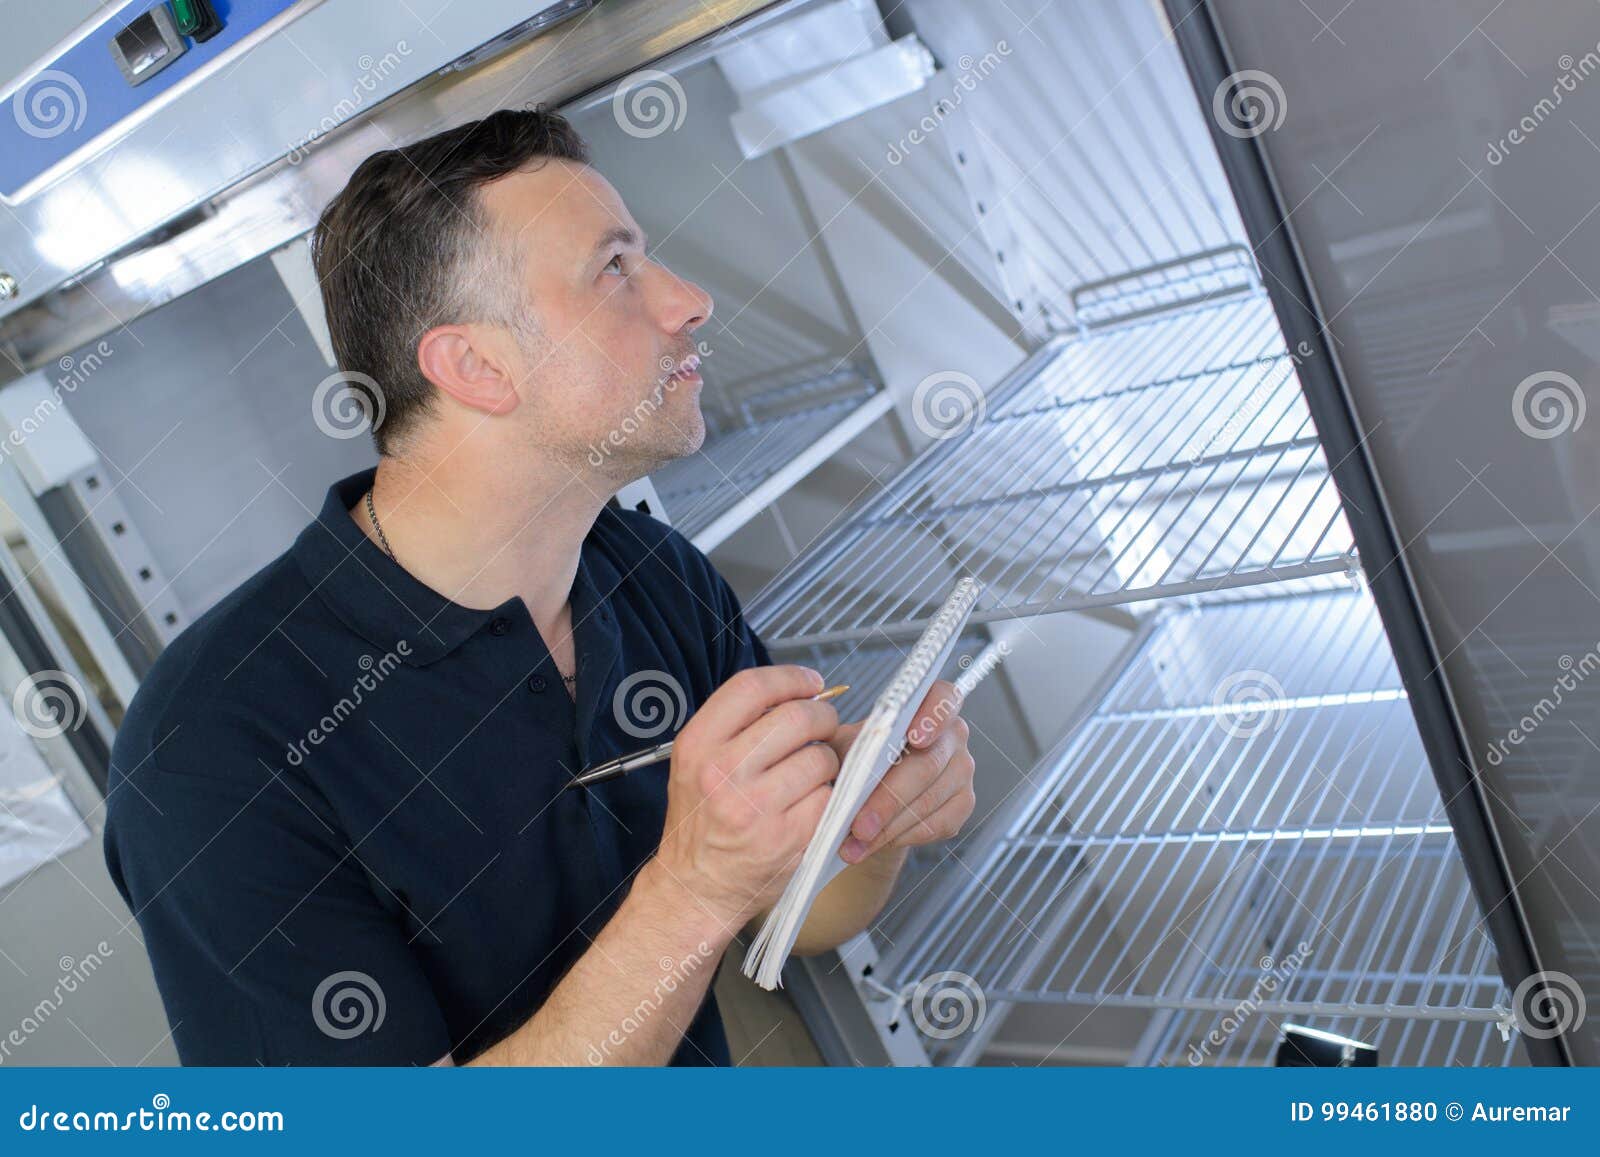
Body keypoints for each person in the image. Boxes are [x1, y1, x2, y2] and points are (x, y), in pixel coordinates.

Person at [102, 107, 977, 1066]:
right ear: (476, 365)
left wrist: (875, 815)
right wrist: (690, 893)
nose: (689, 300)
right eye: (614, 268)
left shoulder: (649, 571)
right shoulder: (211, 752)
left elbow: (800, 911)